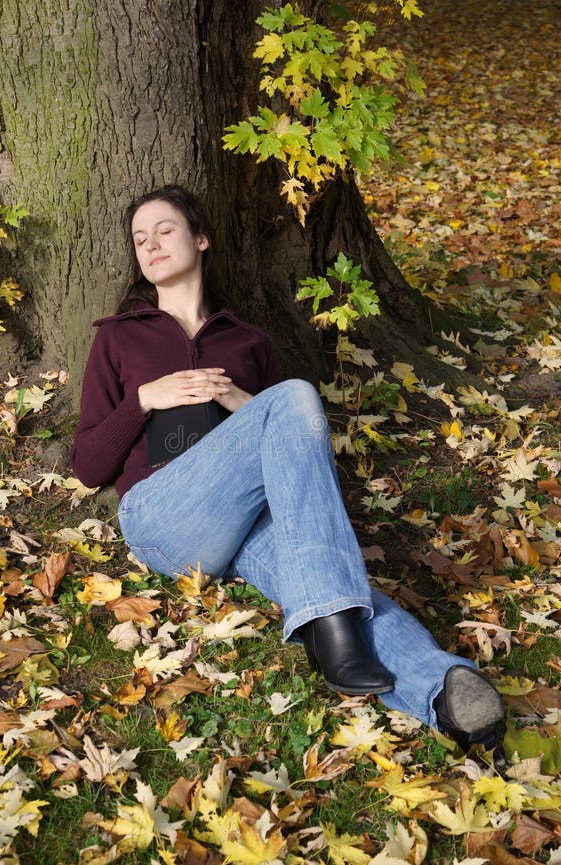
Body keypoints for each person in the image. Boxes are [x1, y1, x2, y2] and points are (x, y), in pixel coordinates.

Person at [72, 184, 505, 759]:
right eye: (140, 238)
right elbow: (86, 467)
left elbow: (295, 448)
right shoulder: (117, 336)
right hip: (163, 517)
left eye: (165, 230)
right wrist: (145, 399)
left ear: (201, 239)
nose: (150, 244)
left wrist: (242, 404)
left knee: (327, 576)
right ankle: (336, 633)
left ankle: (444, 692)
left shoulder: (248, 341)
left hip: (247, 523)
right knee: (297, 396)